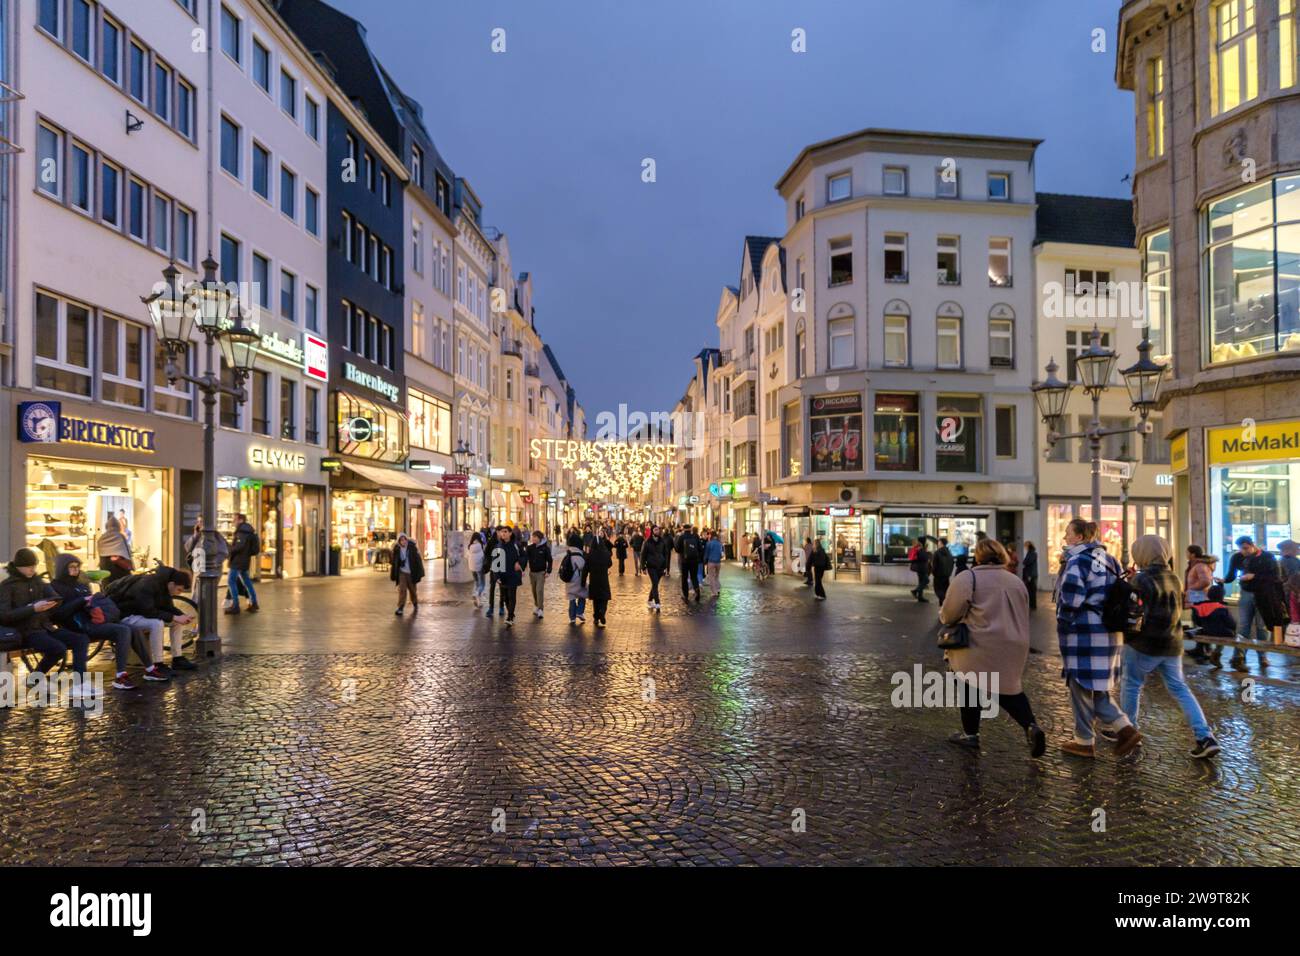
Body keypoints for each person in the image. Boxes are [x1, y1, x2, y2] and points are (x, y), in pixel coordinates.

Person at [940, 539, 1046, 757]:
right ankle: (1031, 726)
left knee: (969, 684)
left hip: (978, 643)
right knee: (1008, 688)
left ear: (977, 556)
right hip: (1013, 643)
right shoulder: (1015, 581)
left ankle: (971, 735)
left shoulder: (968, 578)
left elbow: (950, 613)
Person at [1120, 535, 1220, 759]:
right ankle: (1205, 736)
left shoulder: (1141, 580)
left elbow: (1133, 610)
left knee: (1131, 684)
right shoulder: (1173, 577)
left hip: (1145, 643)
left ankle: (1129, 732)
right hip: (1172, 643)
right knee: (1179, 688)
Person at [1055, 518, 1141, 759]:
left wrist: (1062, 624)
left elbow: (1071, 600)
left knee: (1080, 685)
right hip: (1110, 632)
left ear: (1080, 537)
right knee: (1097, 687)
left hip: (1084, 633)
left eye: (1068, 533)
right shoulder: (1109, 559)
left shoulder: (1077, 561)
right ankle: (1119, 729)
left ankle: (1087, 739)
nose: (1064, 538)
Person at [0, 548, 93, 695]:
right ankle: (34, 679)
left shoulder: (38, 581)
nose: (32, 569)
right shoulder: (8, 586)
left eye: (34, 566)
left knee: (80, 639)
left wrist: (53, 602)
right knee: (58, 648)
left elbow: (56, 598)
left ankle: (79, 684)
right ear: (18, 567)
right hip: (25, 631)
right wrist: (33, 609)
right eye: (29, 566)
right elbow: (4, 615)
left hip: (45, 626)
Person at [50, 554, 143, 691]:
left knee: (129, 628)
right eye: (71, 567)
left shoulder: (80, 585)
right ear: (62, 568)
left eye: (77, 566)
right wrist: (82, 601)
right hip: (77, 625)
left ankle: (148, 668)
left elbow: (87, 603)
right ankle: (120, 676)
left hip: (91, 621)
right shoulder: (55, 587)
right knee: (122, 630)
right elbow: (58, 614)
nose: (75, 569)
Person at [107, 565, 197, 674]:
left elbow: (168, 607)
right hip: (125, 615)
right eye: (179, 590)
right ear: (172, 584)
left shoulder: (164, 585)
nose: (179, 593)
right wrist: (175, 617)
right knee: (156, 623)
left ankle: (177, 659)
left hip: (139, 614)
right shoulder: (147, 584)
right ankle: (157, 664)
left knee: (176, 622)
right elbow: (148, 611)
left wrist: (182, 616)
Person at [1220, 535, 1278, 669]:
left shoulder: (1267, 557)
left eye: (1246, 548)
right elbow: (1231, 574)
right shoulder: (1237, 556)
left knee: (1261, 627)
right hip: (1246, 592)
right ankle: (1239, 655)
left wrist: (1254, 576)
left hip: (1263, 594)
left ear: (1253, 545)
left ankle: (1262, 656)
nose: (1243, 552)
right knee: (1243, 625)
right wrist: (1223, 580)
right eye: (1241, 549)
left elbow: (1274, 576)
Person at [1189, 584, 1236, 669]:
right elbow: (1232, 624)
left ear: (1208, 595)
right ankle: (1217, 654)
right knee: (1234, 635)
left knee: (1201, 630)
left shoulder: (1199, 606)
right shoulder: (1222, 608)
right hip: (1222, 633)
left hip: (1206, 631)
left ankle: (1205, 652)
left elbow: (1197, 622)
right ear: (1222, 595)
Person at [225, 513, 260, 614]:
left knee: (231, 581)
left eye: (234, 520)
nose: (233, 522)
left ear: (241, 520)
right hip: (244, 561)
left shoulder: (242, 531)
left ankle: (235, 606)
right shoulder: (248, 530)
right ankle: (254, 603)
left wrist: (230, 550)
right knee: (247, 582)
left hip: (237, 561)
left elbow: (239, 546)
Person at [491, 526, 524, 627]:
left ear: (510, 533)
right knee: (504, 597)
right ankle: (511, 614)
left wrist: (520, 563)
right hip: (502, 575)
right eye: (501, 532)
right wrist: (496, 576)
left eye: (505, 532)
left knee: (511, 595)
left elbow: (524, 556)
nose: (503, 534)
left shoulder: (516, 545)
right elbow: (495, 562)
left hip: (513, 574)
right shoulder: (498, 546)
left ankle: (510, 617)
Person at [583, 530, 612, 628]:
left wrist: (583, 581)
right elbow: (610, 564)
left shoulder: (590, 555)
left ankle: (596, 617)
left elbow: (585, 569)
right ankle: (602, 612)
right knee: (604, 598)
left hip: (594, 579)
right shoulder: (606, 553)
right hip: (603, 579)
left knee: (596, 599)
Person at [390, 532, 424, 616]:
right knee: (402, 590)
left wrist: (420, 572)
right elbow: (393, 562)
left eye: (404, 539)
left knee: (413, 590)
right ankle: (400, 607)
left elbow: (418, 561)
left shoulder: (412, 548)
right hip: (402, 573)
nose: (403, 541)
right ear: (399, 541)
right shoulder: (396, 549)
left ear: (406, 539)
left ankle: (415, 602)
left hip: (411, 572)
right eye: (401, 540)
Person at [97, 513, 134, 582]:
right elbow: (126, 559)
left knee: (108, 590)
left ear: (106, 526)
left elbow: (102, 557)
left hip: (106, 574)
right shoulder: (120, 537)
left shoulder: (101, 539)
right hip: (121, 576)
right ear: (118, 526)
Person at [561, 533, 588, 624]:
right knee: (583, 595)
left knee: (571, 599)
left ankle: (572, 617)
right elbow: (582, 567)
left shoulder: (568, 554)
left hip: (569, 580)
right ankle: (579, 612)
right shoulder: (578, 555)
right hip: (577, 580)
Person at [525, 530, 552, 618]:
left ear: (539, 538)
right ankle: (536, 605)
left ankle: (540, 609)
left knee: (539, 590)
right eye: (532, 537)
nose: (533, 538)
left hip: (541, 573)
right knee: (534, 591)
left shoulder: (545, 548)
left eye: (535, 537)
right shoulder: (529, 548)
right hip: (532, 573)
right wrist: (522, 568)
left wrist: (548, 571)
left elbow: (550, 560)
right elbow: (525, 558)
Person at [642, 525, 667, 610]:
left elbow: (665, 554)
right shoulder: (648, 542)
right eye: (655, 530)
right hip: (651, 566)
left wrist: (665, 566)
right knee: (655, 584)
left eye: (658, 530)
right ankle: (657, 602)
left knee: (655, 584)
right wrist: (643, 567)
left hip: (660, 566)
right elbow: (643, 555)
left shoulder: (662, 541)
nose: (657, 531)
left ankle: (649, 600)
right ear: (652, 531)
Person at [677, 525, 703, 601]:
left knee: (684, 578)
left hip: (684, 561)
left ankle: (686, 596)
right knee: (694, 577)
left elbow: (677, 549)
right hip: (694, 561)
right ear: (690, 529)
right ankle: (697, 590)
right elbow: (700, 548)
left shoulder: (681, 537)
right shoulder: (695, 536)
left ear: (684, 529)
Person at [931, 537, 954, 603]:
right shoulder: (949, 553)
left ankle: (943, 602)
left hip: (938, 576)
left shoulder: (937, 553)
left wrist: (934, 572)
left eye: (938, 542)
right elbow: (952, 563)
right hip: (946, 575)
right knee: (945, 590)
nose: (938, 543)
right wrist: (949, 573)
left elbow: (934, 565)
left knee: (938, 590)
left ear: (941, 543)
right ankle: (944, 605)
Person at [908, 537, 931, 602]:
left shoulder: (919, 548)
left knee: (921, 582)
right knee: (926, 580)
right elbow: (923, 558)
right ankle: (915, 591)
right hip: (921, 568)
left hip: (920, 567)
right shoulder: (920, 548)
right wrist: (927, 554)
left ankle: (920, 597)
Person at [468, 532, 486, 608]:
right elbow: (483, 556)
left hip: (472, 567)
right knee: (482, 584)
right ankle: (476, 594)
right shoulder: (481, 545)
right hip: (479, 567)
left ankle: (478, 602)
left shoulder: (470, 546)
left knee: (476, 582)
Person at [703, 530, 724, 595]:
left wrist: (705, 560)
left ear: (711, 536)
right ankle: (718, 589)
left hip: (711, 562)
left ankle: (714, 592)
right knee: (716, 576)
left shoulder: (709, 543)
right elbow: (722, 553)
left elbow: (706, 553)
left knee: (711, 577)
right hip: (718, 562)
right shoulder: (720, 543)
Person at [1021, 542, 1039, 610]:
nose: (1024, 547)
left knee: (1031, 590)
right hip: (1031, 574)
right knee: (1031, 590)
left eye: (1025, 546)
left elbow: (1027, 562)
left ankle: (1033, 605)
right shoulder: (1032, 553)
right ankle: (1032, 605)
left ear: (1028, 546)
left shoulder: (1032, 553)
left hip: (1031, 574)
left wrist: (1029, 575)